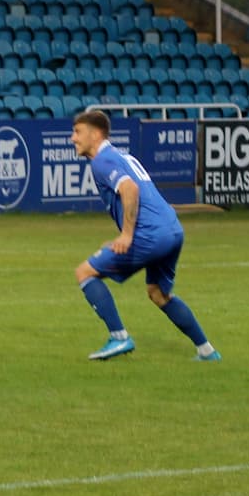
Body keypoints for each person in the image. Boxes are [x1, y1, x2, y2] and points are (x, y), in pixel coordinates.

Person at [69, 110, 220, 361]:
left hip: (150, 235)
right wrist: (123, 235)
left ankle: (119, 337)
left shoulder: (102, 161)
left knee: (84, 272)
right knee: (158, 293)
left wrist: (128, 235)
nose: (73, 138)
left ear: (95, 134)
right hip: (172, 230)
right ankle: (206, 350)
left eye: (78, 132)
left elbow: (130, 189)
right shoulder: (121, 156)